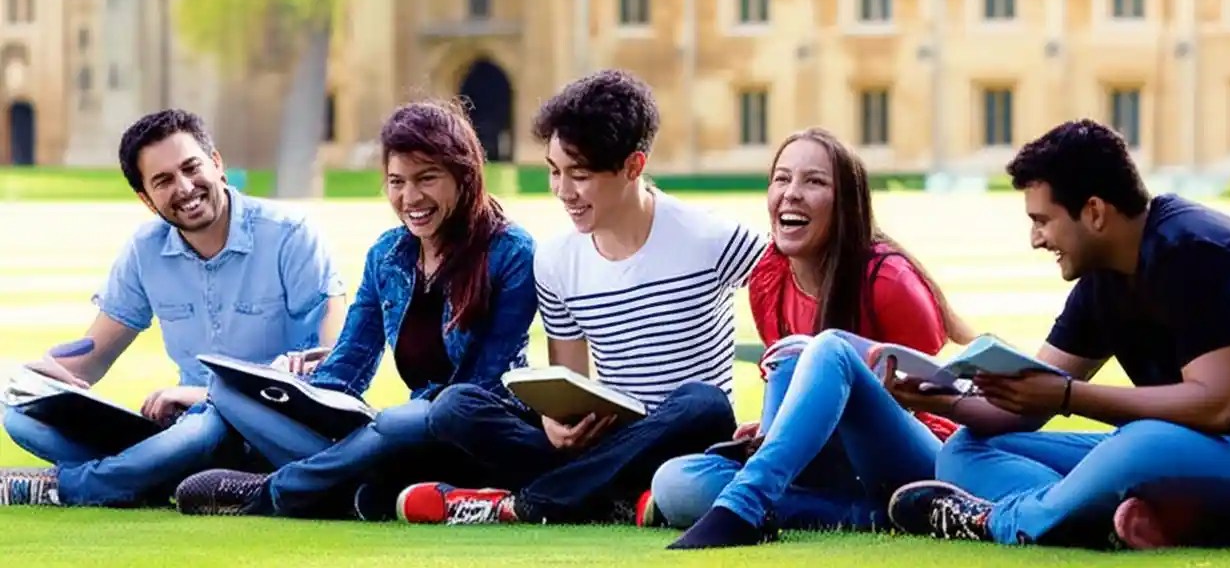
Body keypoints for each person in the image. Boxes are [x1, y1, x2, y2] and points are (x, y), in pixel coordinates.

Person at [392, 68, 766, 527]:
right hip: (603, 442)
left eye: (580, 175)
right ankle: (611, 500)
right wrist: (557, 424)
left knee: (704, 403)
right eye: (554, 172)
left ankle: (519, 504)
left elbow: (796, 288)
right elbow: (570, 386)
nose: (563, 192)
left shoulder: (709, 237)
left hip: (676, 442)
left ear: (634, 166)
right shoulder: (555, 260)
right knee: (455, 407)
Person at [886, 118, 1230, 550]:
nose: (1036, 239)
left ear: (1093, 212)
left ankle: (997, 520)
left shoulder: (1194, 251)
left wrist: (1067, 396)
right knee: (966, 450)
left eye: (1042, 220)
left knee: (1141, 442)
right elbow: (1025, 407)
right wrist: (938, 398)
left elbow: (1218, 405)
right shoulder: (1103, 278)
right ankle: (1090, 520)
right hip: (1198, 455)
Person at [169, 99, 539, 520]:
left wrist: (389, 423)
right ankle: (359, 493)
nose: (410, 197)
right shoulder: (388, 255)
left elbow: (484, 385)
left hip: (473, 434)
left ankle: (273, 493)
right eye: (396, 181)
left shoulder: (511, 253)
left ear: (464, 176)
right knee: (227, 389)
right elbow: (348, 365)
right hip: (394, 437)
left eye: (427, 179)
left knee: (406, 422)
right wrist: (298, 398)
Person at [0, 109, 346, 508]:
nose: (184, 188)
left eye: (191, 167)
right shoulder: (145, 250)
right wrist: (43, 381)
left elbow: (333, 365)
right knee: (21, 418)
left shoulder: (290, 234)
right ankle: (161, 478)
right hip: (184, 430)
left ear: (217, 164)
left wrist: (202, 394)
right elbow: (91, 357)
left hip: (273, 428)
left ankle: (74, 487)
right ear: (147, 199)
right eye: (163, 181)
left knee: (206, 423)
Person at [648, 127, 973, 549]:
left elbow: (937, 412)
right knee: (675, 482)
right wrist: (779, 428)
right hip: (822, 468)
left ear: (846, 203)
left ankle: (745, 509)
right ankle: (865, 517)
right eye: (781, 179)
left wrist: (819, 418)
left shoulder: (889, 280)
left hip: (910, 461)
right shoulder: (768, 278)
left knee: (819, 351)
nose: (792, 193)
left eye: (813, 181)